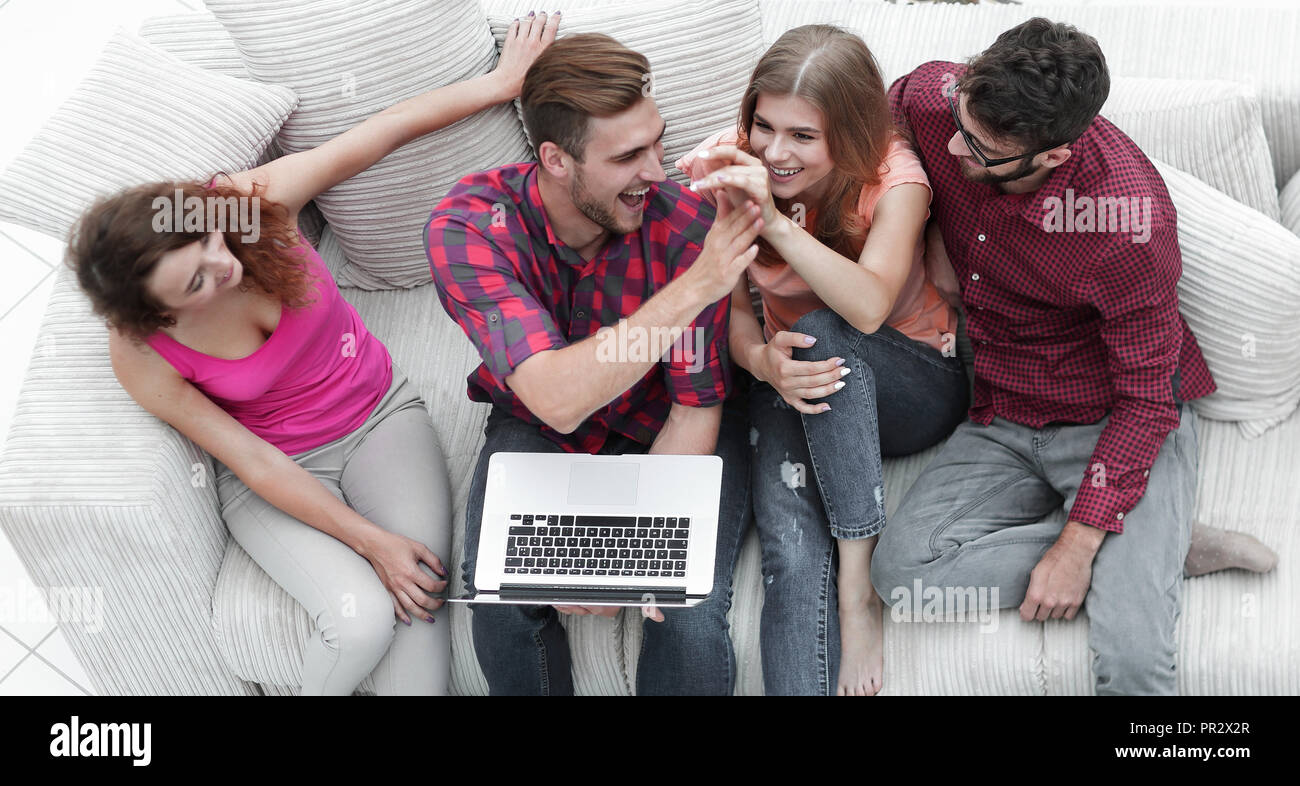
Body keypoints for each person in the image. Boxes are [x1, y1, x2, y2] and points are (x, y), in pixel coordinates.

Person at [67, 12, 562, 695]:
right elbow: (251, 458)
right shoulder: (141, 355)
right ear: (158, 314)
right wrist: (371, 543)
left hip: (380, 420)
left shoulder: (245, 209)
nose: (223, 265)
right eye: (196, 282)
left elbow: (377, 135)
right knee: (358, 621)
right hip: (274, 473)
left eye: (209, 242)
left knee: (419, 609)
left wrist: (500, 82)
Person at [872, 17, 1276, 696]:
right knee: (902, 575)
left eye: (979, 149)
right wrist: (920, 223)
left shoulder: (1127, 226)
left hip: (1111, 419)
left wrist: (1077, 546)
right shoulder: (946, 100)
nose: (952, 146)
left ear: (1052, 156)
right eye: (958, 122)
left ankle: (1135, 550)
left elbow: (1147, 401)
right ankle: (1154, 547)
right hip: (1002, 409)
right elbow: (893, 105)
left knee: (1133, 663)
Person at [425, 33, 764, 695]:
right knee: (499, 599)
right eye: (630, 156)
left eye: (659, 142)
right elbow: (554, 397)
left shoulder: (690, 224)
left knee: (685, 614)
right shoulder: (469, 229)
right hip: (539, 422)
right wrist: (696, 285)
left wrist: (623, 557)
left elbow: (695, 411)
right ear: (556, 159)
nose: (658, 172)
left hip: (665, 419)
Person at [677, 25, 969, 696]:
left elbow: (867, 306)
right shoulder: (724, 164)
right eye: (764, 125)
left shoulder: (896, 180)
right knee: (788, 544)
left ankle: (858, 589)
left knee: (822, 328)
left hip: (914, 381)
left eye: (802, 137)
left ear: (851, 133)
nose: (775, 152)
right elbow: (728, 300)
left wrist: (774, 222)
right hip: (795, 375)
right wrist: (758, 361)